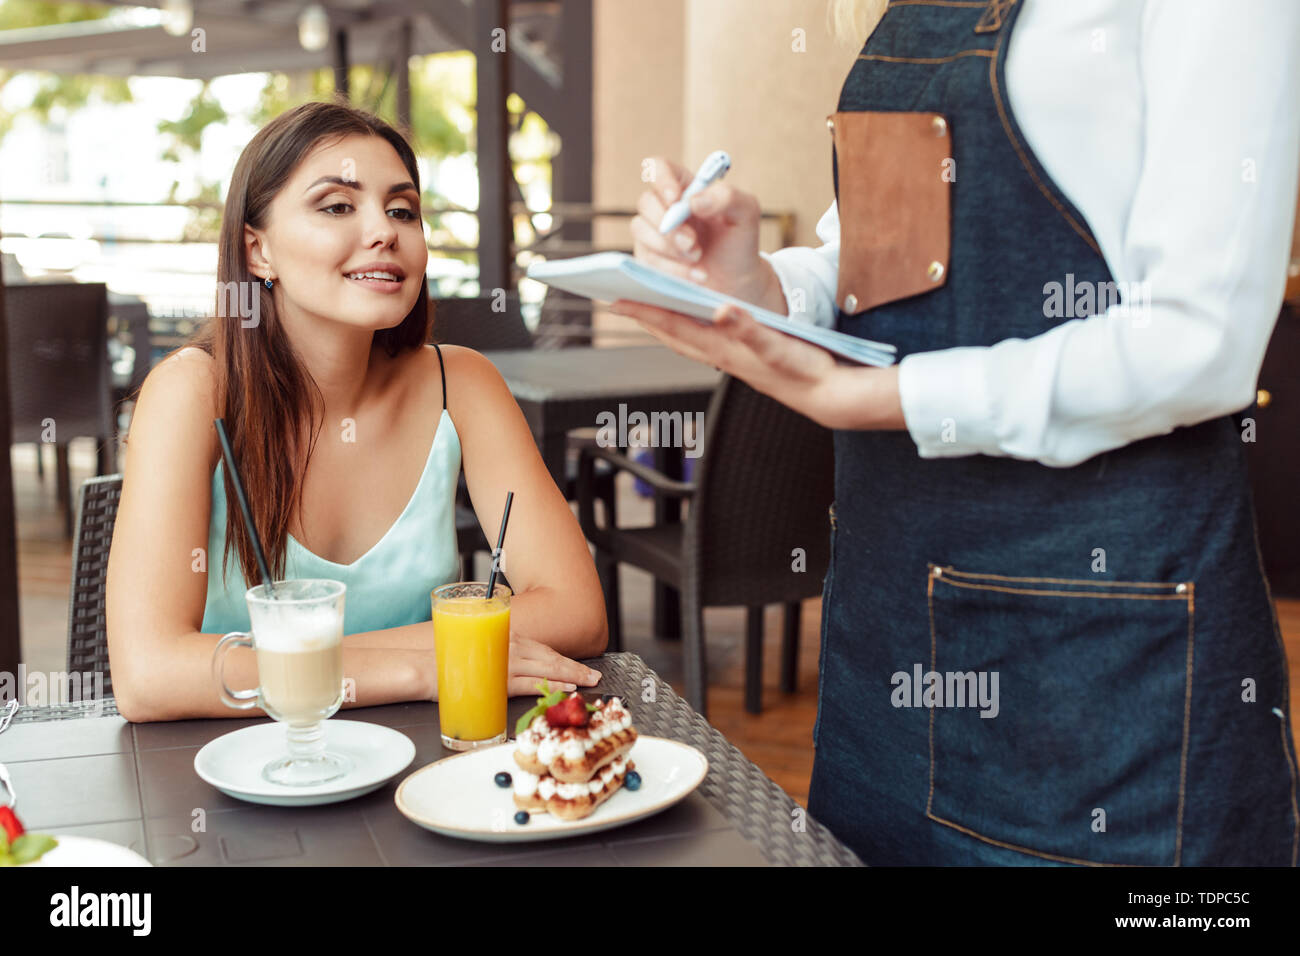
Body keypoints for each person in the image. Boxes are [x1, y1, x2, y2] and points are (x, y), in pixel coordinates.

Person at [613, 0, 1300, 865]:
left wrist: (874, 397)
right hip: (885, 646)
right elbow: (878, 258)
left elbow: (1199, 342)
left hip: (1101, 671)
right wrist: (760, 286)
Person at [106, 101, 606, 723]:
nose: (384, 231)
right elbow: (149, 676)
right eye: (338, 206)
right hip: (239, 777)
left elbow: (578, 613)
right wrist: (423, 664)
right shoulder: (191, 393)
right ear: (257, 251)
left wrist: (297, 662)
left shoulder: (463, 383)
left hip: (431, 763)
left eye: (403, 210)